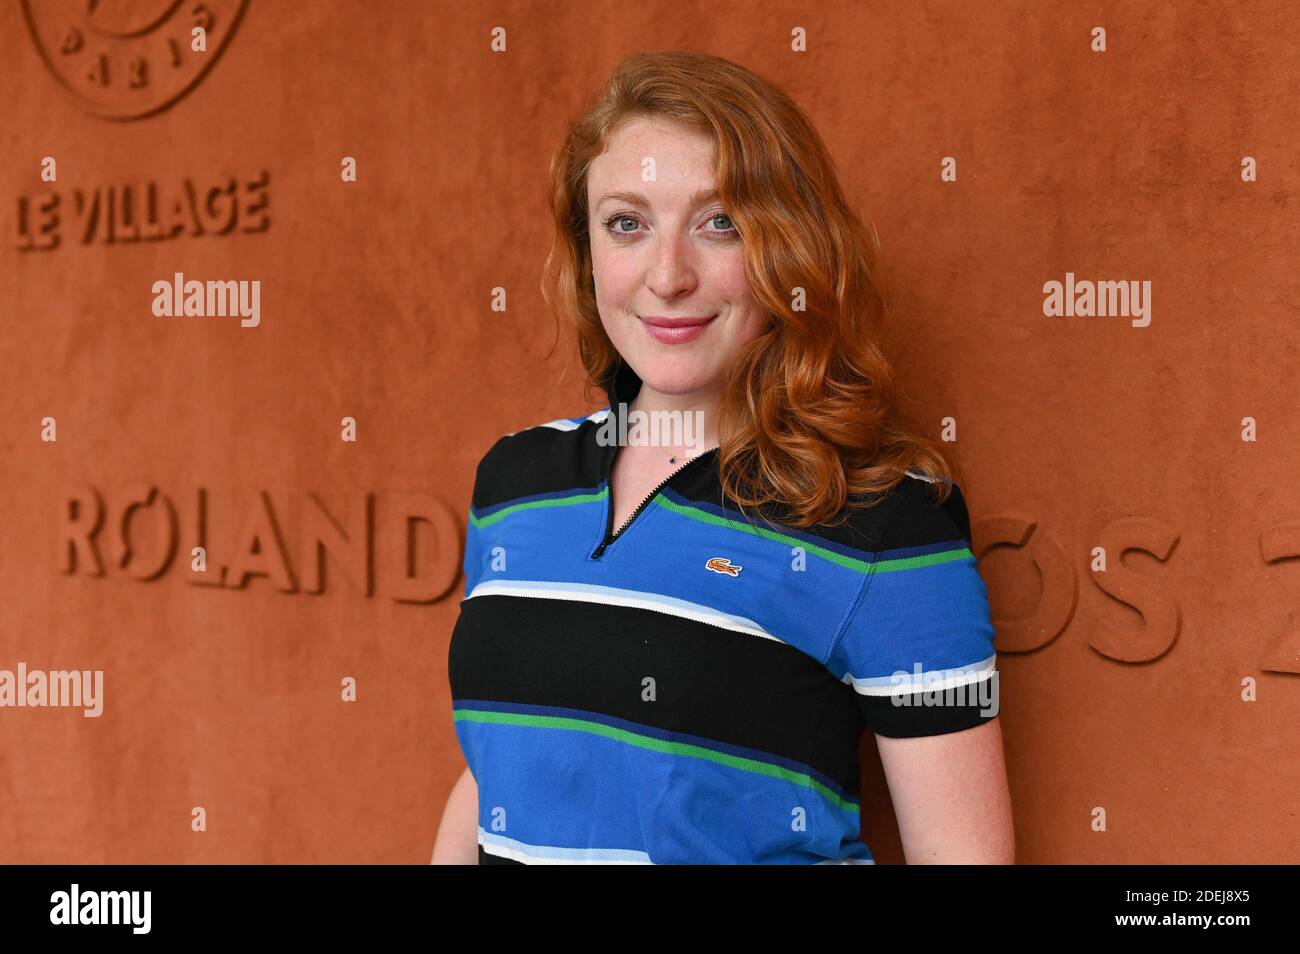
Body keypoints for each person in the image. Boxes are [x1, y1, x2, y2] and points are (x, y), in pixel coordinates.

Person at [432, 50, 1013, 864]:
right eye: (627, 223)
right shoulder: (515, 481)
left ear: (791, 246)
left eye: (721, 223)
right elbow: (496, 770)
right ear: (587, 249)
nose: (668, 276)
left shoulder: (885, 523)